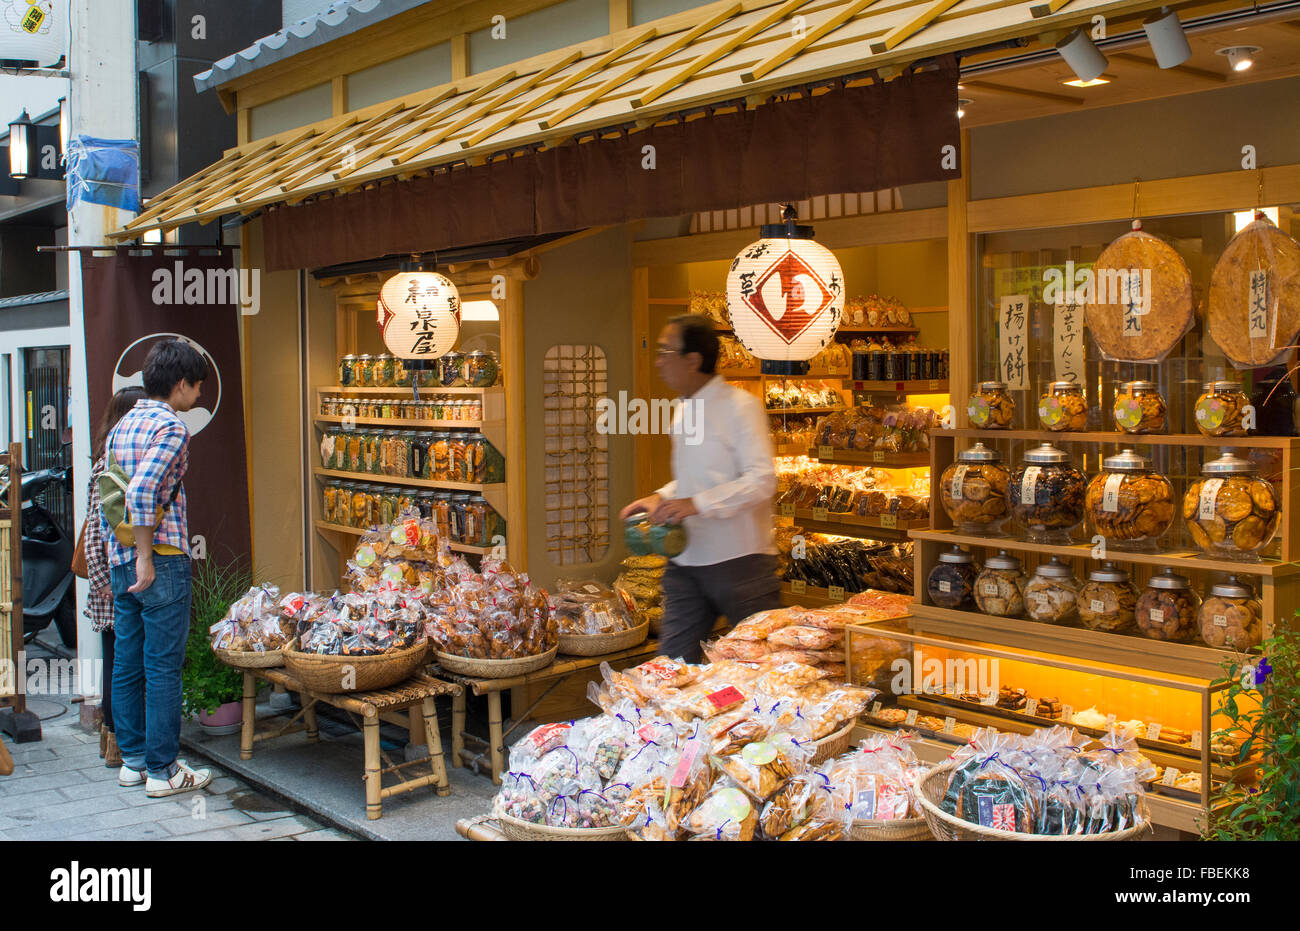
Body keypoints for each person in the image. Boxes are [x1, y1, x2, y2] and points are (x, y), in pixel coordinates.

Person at [619, 315, 782, 662]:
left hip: (742, 563)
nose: (659, 361)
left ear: (693, 360)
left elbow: (761, 479)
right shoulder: (681, 409)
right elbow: (696, 477)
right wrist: (661, 496)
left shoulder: (741, 407)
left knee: (762, 668)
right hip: (687, 560)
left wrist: (698, 503)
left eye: (666, 352)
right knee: (673, 665)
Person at [104, 339, 212, 797]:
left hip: (118, 557)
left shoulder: (124, 422)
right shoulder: (171, 428)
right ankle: (163, 771)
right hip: (159, 560)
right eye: (198, 386)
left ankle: (132, 761)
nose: (200, 396)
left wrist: (132, 557)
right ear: (181, 383)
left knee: (128, 660)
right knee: (163, 666)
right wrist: (147, 557)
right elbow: (143, 492)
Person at [85, 386, 146, 769]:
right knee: (122, 661)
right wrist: (103, 580)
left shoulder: (106, 460)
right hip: (114, 578)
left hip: (110, 578)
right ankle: (119, 743)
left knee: (117, 660)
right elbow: (95, 528)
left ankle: (114, 742)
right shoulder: (109, 466)